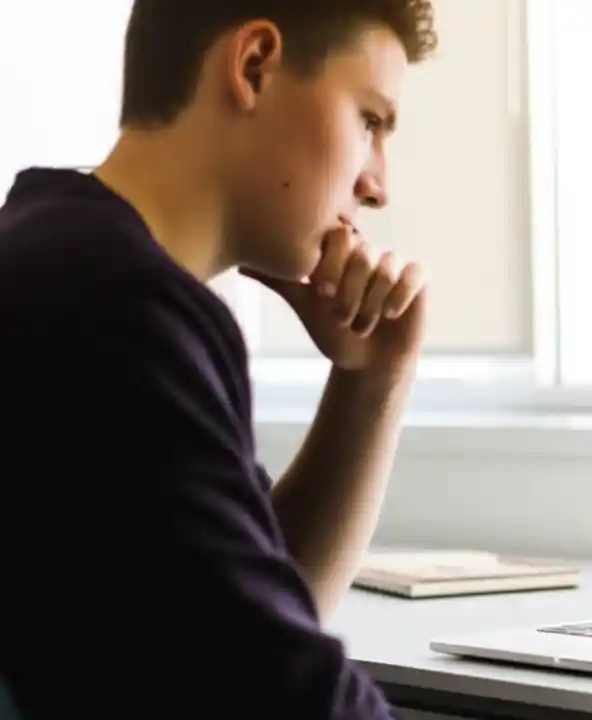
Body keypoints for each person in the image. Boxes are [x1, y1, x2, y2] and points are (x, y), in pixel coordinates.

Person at [0, 2, 438, 717]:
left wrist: (374, 378)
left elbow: (248, 612)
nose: (377, 185)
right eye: (369, 120)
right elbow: (274, 689)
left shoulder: (59, 255)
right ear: (255, 66)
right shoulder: (114, 308)